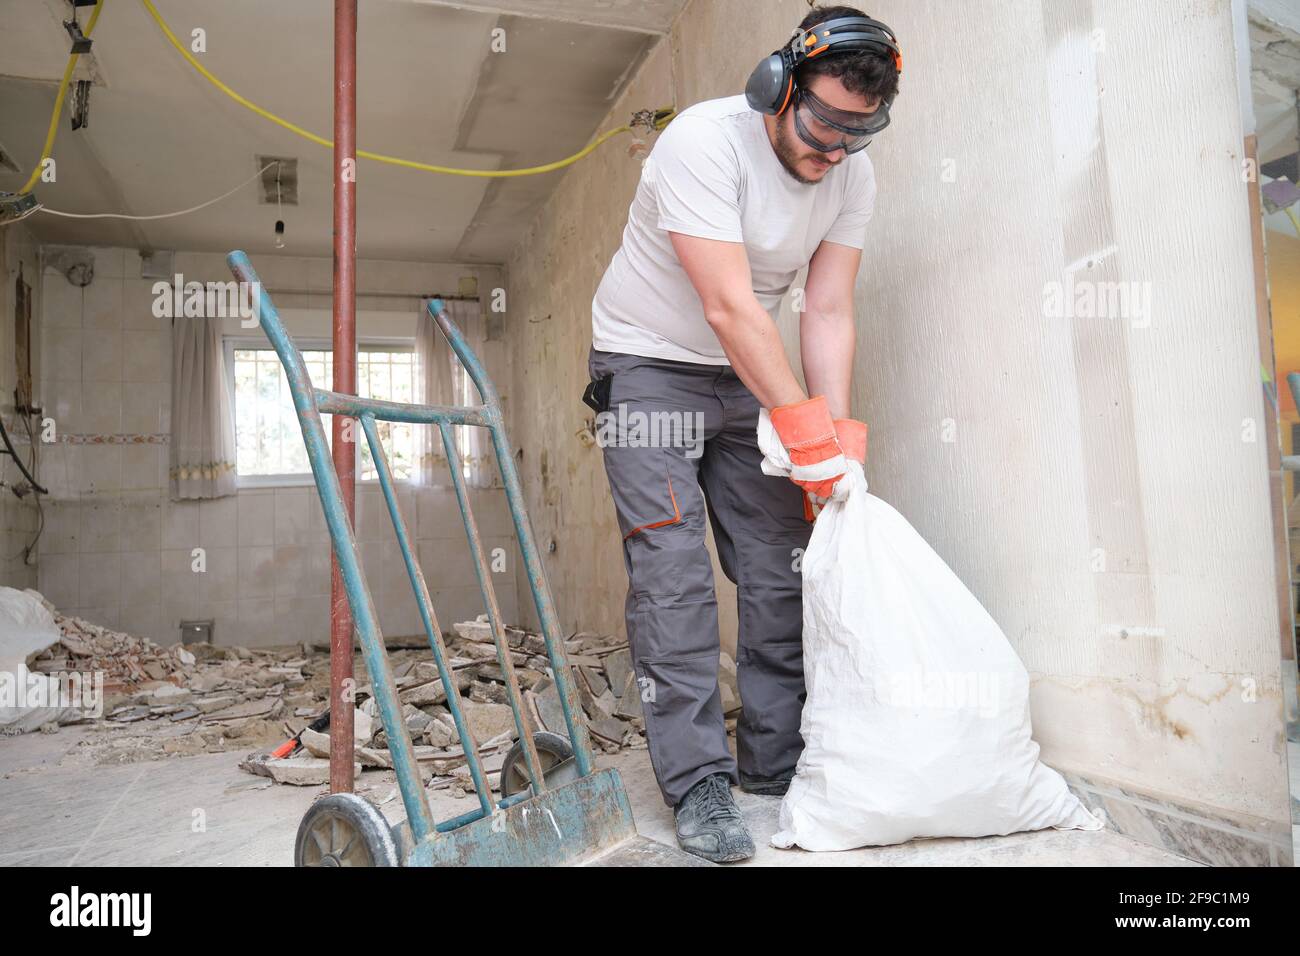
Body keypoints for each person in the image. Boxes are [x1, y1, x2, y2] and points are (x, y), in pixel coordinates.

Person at [583, 5, 901, 862]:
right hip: (649, 364)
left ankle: (775, 762)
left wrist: (834, 438)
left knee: (781, 564)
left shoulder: (850, 178)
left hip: (746, 374)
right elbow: (728, 303)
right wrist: (801, 429)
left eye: (857, 134)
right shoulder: (701, 143)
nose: (834, 150)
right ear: (777, 86)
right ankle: (700, 788)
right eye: (823, 122)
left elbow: (828, 308)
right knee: (673, 570)